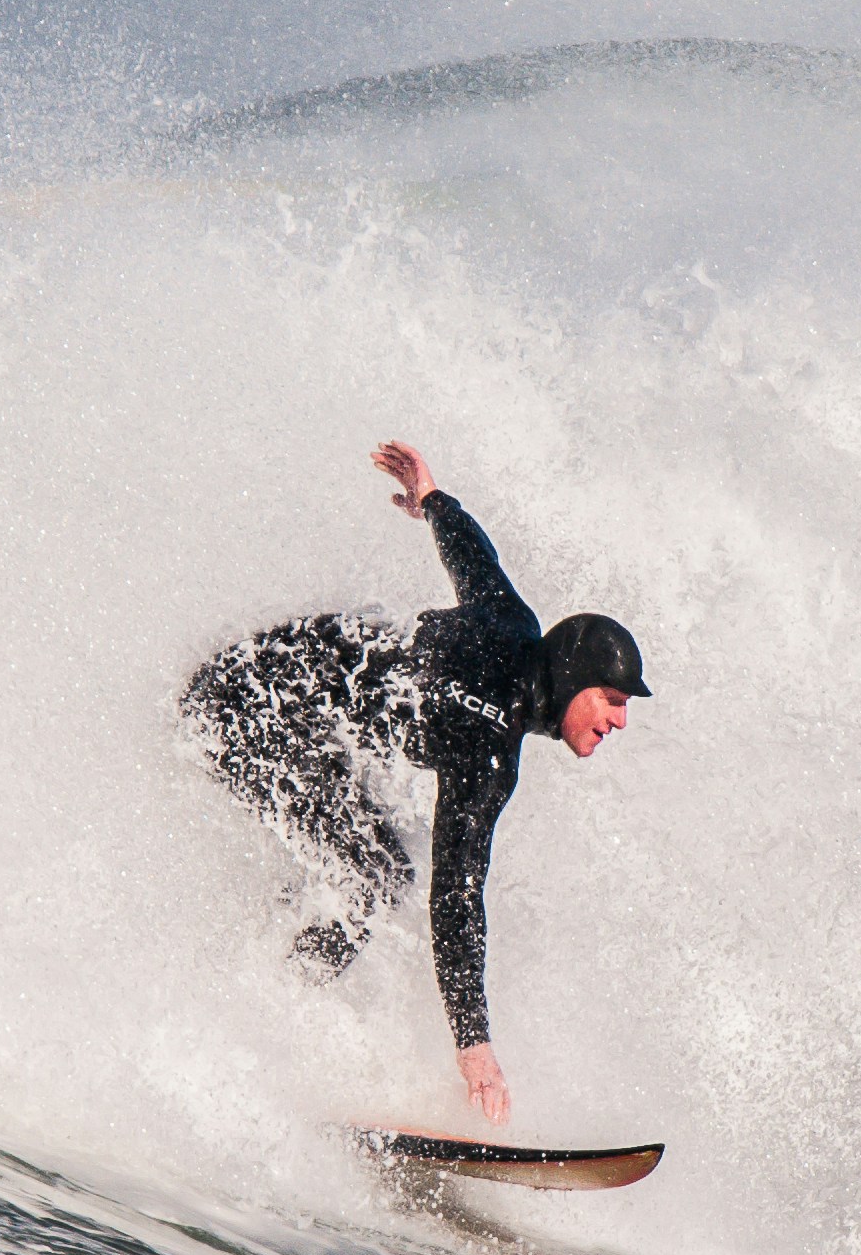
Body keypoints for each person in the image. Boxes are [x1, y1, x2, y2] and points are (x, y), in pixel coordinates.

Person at [181, 442, 648, 1127]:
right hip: (251, 705)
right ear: (575, 677)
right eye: (612, 697)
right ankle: (255, 1022)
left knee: (366, 871)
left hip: (261, 684)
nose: (620, 719)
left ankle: (254, 1003)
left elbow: (474, 559)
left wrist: (434, 500)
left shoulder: (514, 627)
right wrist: (474, 1045)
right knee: (371, 877)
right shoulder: (489, 743)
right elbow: (457, 896)